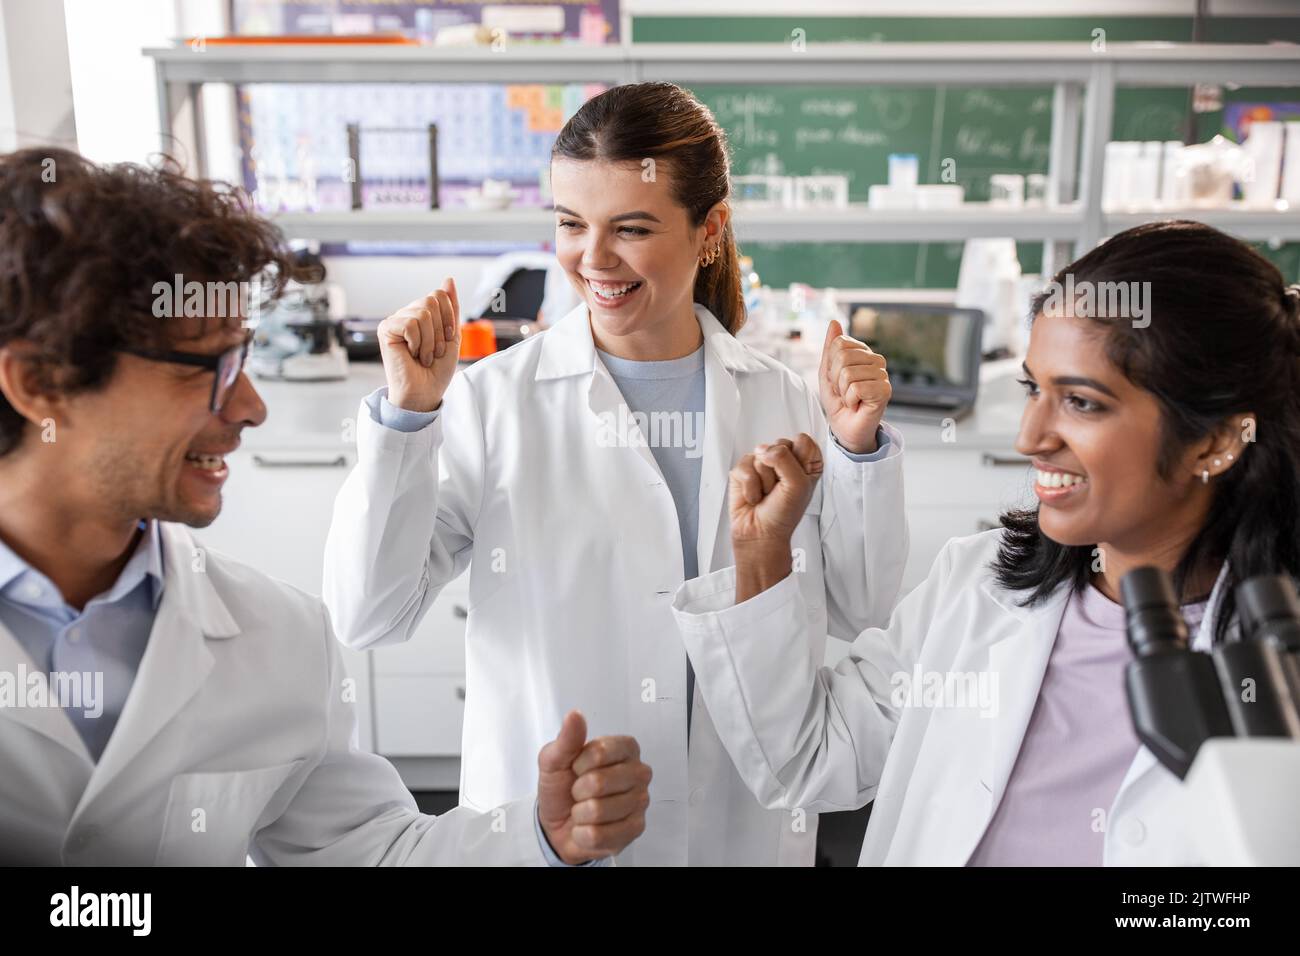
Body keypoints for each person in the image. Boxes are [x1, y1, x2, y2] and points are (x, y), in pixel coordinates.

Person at [0, 148, 650, 866]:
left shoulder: (274, 636)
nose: (251, 407)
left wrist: (537, 837)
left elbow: (367, 851)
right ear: (39, 383)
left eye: (243, 361)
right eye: (209, 372)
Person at [323, 82, 907, 865]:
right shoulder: (492, 401)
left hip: (739, 822)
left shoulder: (785, 396)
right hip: (552, 835)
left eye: (630, 228)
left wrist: (858, 451)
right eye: (571, 224)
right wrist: (406, 421)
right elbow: (369, 616)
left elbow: (860, 609)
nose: (592, 260)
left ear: (710, 231)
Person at [672, 220, 1300, 865]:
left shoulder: (1278, 674)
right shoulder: (977, 588)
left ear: (1217, 441)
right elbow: (809, 759)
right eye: (1034, 388)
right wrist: (761, 555)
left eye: (1081, 403)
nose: (1030, 437)